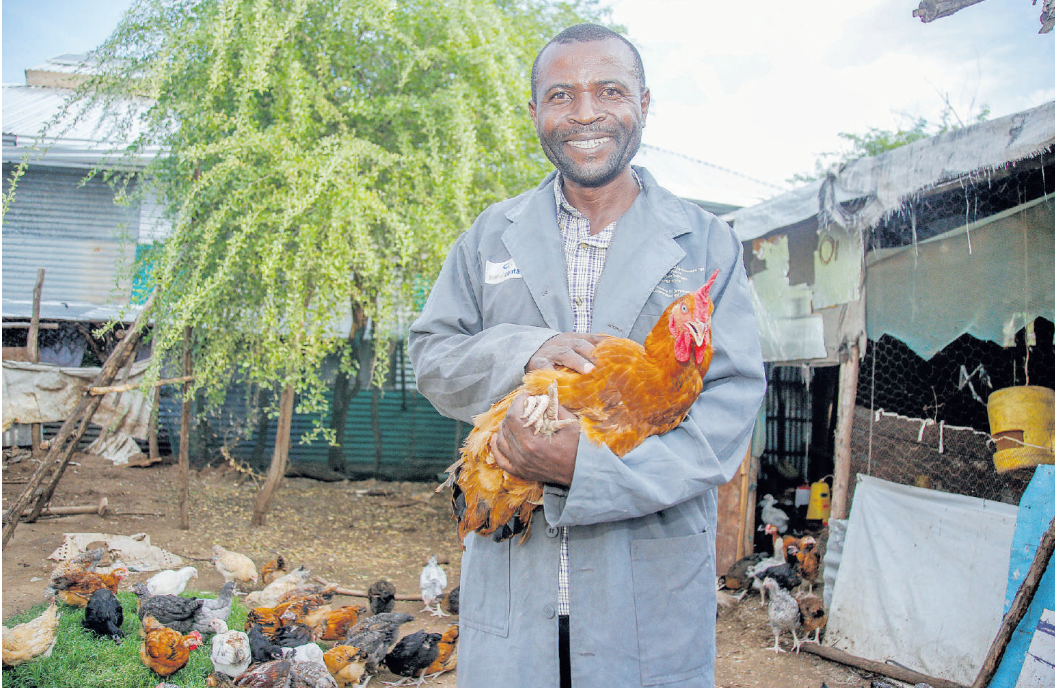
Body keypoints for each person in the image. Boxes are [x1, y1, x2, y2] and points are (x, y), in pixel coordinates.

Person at [408, 23, 766, 688]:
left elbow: (728, 412)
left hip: (647, 593)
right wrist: (525, 350)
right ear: (534, 111)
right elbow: (431, 356)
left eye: (608, 91)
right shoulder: (490, 237)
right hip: (513, 577)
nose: (584, 114)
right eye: (560, 95)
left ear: (643, 102)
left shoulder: (705, 243)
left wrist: (588, 469)